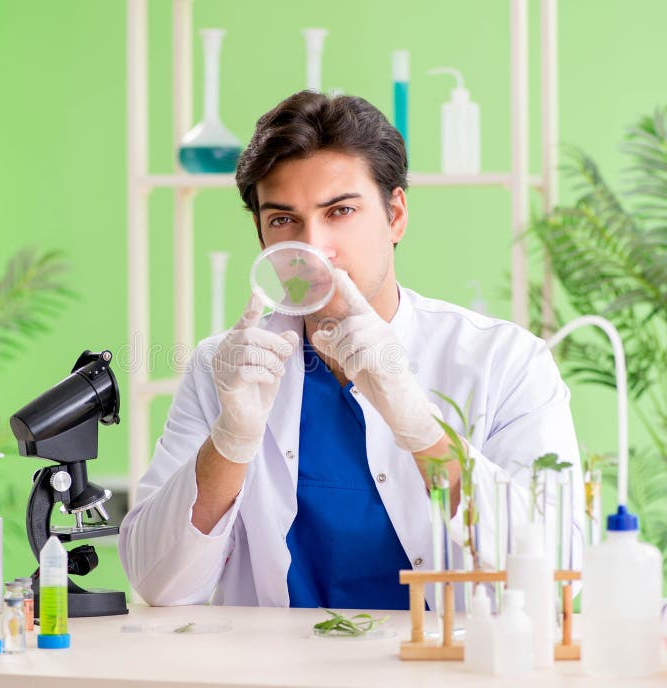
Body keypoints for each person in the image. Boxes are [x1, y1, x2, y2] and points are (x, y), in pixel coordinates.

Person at [118, 90, 583, 609]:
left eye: (339, 211)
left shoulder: (506, 362)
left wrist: (422, 430)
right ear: (262, 237)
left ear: (396, 215)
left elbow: (559, 572)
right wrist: (231, 439)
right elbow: (157, 583)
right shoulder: (225, 368)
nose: (313, 248)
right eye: (282, 219)